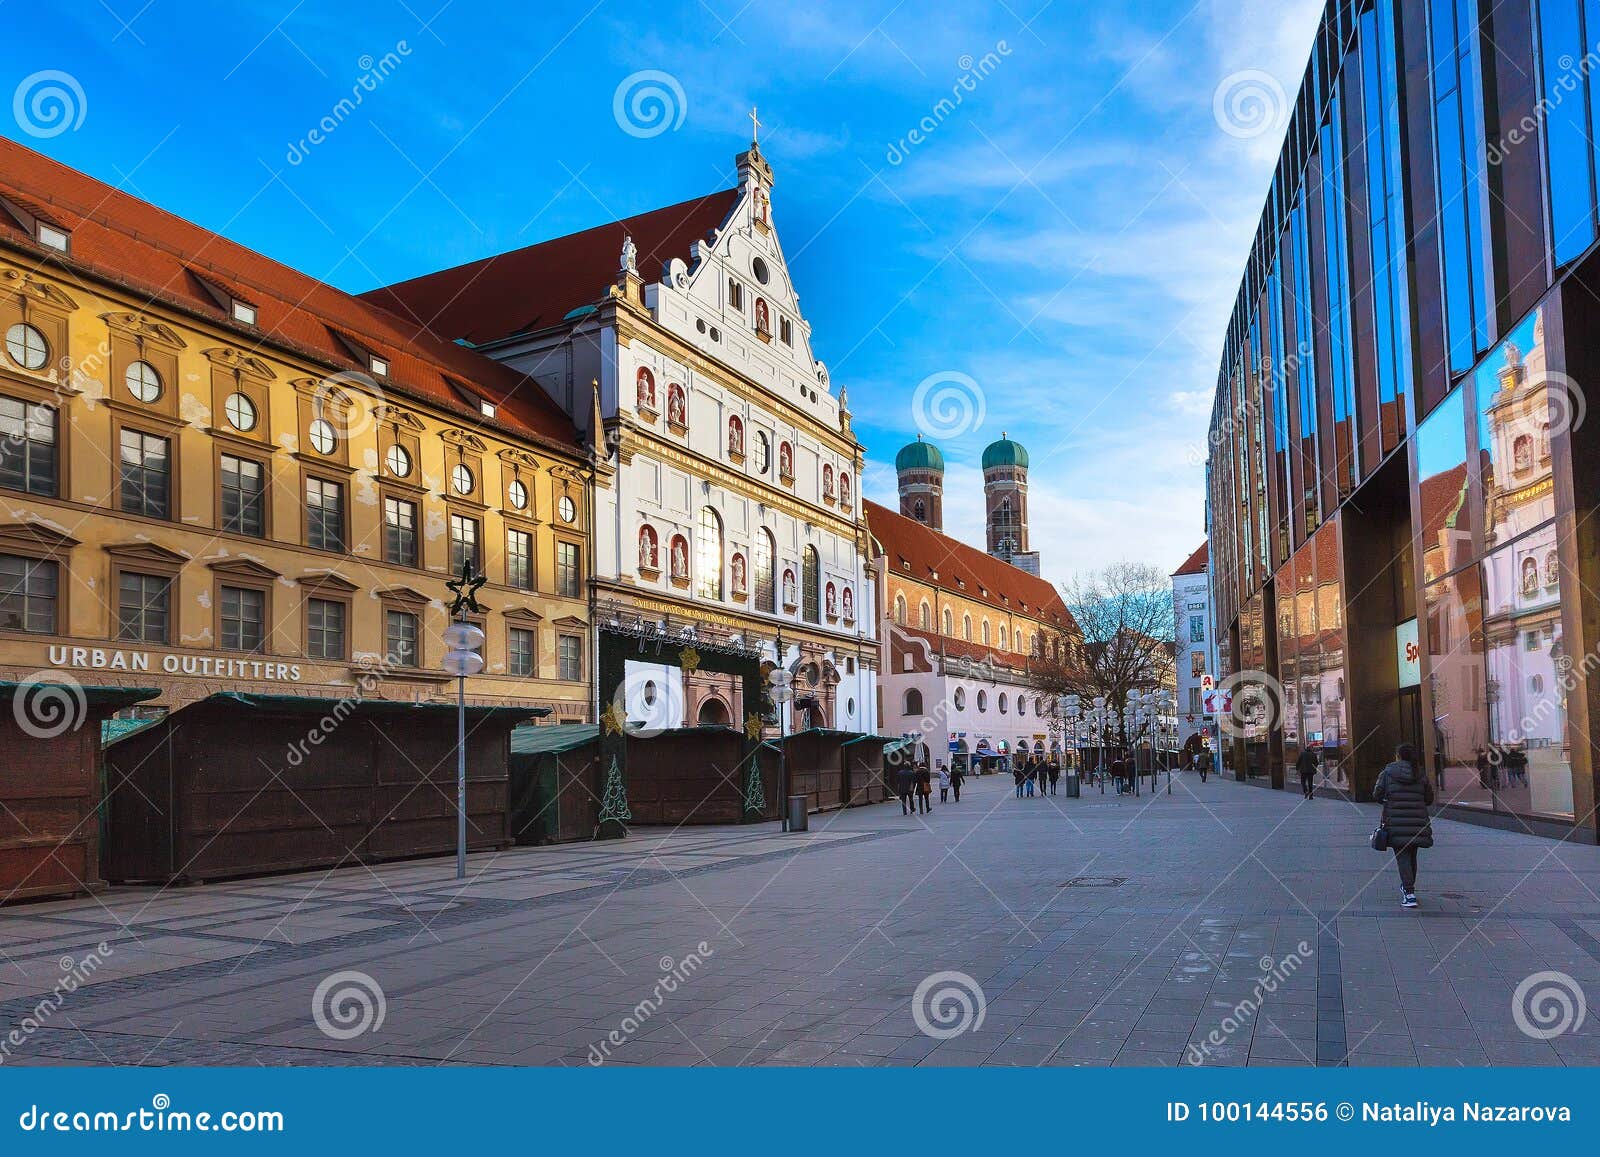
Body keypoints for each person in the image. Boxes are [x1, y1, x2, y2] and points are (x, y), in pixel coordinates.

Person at [1372, 742, 1434, 909]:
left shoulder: (1387, 772)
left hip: (1396, 821)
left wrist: (1388, 801)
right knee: (1412, 854)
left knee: (1403, 856)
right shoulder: (1420, 773)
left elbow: (1377, 794)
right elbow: (1429, 799)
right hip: (1418, 821)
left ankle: (1409, 892)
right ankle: (1408, 887)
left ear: (1398, 756)